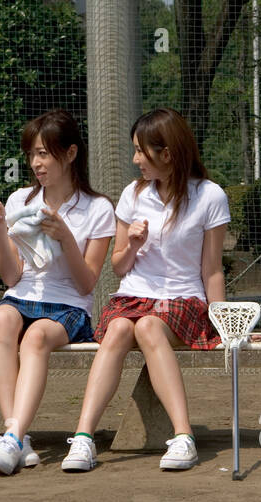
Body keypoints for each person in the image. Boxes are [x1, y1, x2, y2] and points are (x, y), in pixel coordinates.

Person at [62, 107, 229, 472]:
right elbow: (119, 265)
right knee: (122, 326)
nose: (136, 159)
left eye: (141, 151)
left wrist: (223, 321)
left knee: (149, 325)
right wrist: (133, 245)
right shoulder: (133, 195)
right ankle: (84, 438)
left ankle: (183, 436)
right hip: (134, 296)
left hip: (183, 299)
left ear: (166, 154)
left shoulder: (210, 196)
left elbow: (212, 269)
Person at [0, 109, 115, 474]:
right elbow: (11, 277)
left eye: (43, 153)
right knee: (3, 318)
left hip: (68, 304)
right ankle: (16, 436)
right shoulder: (20, 201)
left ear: (70, 154)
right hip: (22, 295)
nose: (35, 163)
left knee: (36, 336)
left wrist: (66, 237)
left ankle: (12, 437)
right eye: (31, 154)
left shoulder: (98, 208)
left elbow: (87, 283)